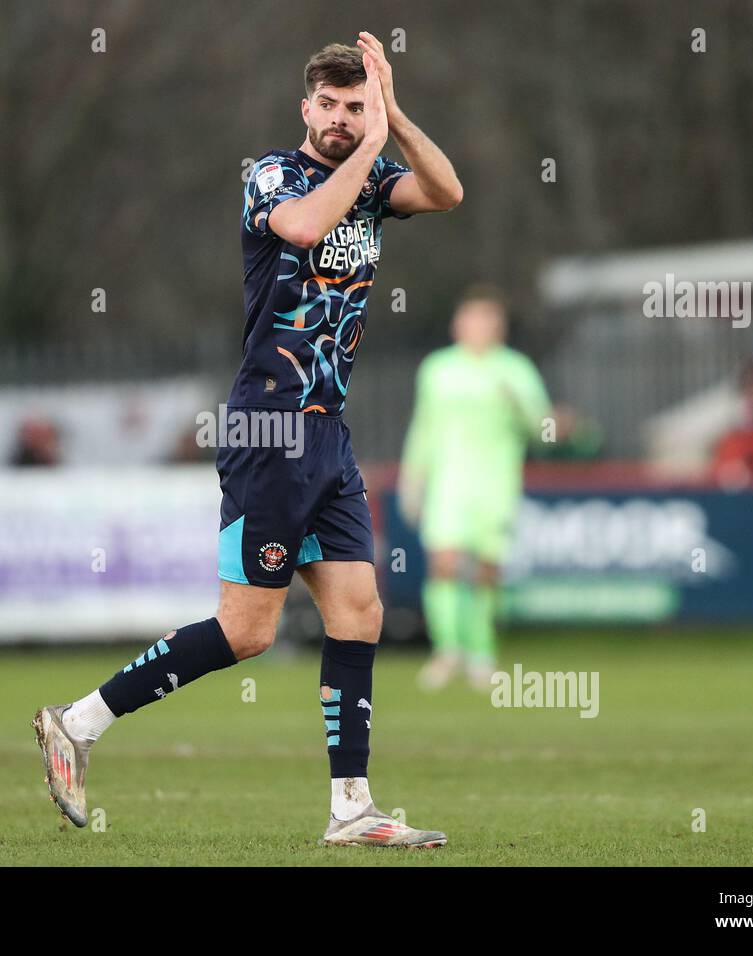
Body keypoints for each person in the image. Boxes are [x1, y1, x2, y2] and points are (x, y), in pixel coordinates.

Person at [34, 35, 462, 846]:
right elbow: (301, 228)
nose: (342, 120)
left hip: (326, 433)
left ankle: (351, 810)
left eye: (355, 106)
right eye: (329, 107)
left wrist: (396, 117)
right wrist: (369, 148)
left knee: (360, 611)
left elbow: (447, 191)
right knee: (247, 631)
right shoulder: (276, 175)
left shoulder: (371, 177)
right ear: (306, 109)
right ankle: (79, 722)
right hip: (269, 426)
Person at [399, 287, 551, 691]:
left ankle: (481, 653)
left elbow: (542, 430)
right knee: (444, 563)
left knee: (485, 570)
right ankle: (447, 651)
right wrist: (412, 477)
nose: (479, 328)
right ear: (457, 325)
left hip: (496, 483)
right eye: (472, 320)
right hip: (448, 481)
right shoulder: (437, 368)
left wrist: (520, 406)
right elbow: (424, 426)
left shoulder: (516, 369)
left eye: (487, 321)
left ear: (498, 328)